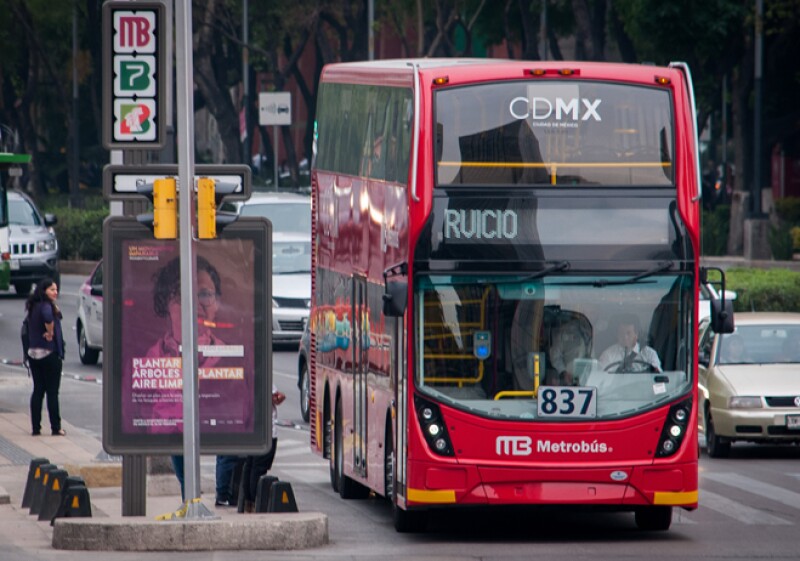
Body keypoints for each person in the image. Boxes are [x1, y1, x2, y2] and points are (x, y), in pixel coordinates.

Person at [25, 278, 65, 436]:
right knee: (52, 392)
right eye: (52, 290)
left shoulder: (33, 306)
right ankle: (56, 427)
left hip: (34, 354)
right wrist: (50, 332)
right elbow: (48, 317)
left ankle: (36, 428)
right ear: (44, 291)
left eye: (56, 290)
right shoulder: (46, 306)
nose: (55, 292)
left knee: (38, 390)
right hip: (49, 354)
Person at [240, 385, 285, 513]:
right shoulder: (263, 373)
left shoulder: (247, 374)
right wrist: (280, 396)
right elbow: (275, 397)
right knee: (258, 468)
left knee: (250, 465)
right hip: (266, 431)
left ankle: (248, 503)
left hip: (251, 429)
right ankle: (256, 502)